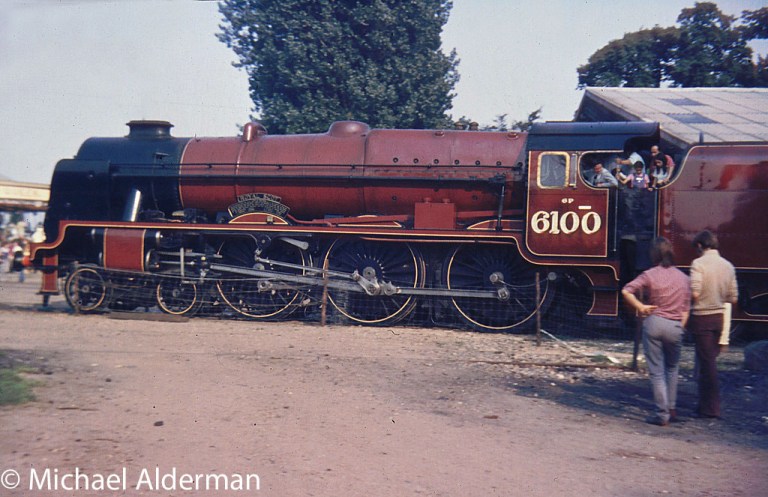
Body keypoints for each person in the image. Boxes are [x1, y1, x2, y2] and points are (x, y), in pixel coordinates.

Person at [622, 237, 691, 426]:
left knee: (657, 371)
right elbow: (686, 310)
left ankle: (662, 414)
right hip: (675, 326)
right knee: (672, 368)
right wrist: (679, 328)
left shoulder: (649, 274)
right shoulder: (684, 278)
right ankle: (672, 408)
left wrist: (641, 307)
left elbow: (627, 290)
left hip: (654, 323)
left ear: (654, 254)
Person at [688, 230, 738, 419]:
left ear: (700, 246)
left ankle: (711, 408)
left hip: (702, 317)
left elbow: (695, 292)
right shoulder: (728, 266)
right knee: (708, 361)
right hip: (719, 317)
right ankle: (703, 405)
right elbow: (733, 298)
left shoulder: (698, 264)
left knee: (707, 365)